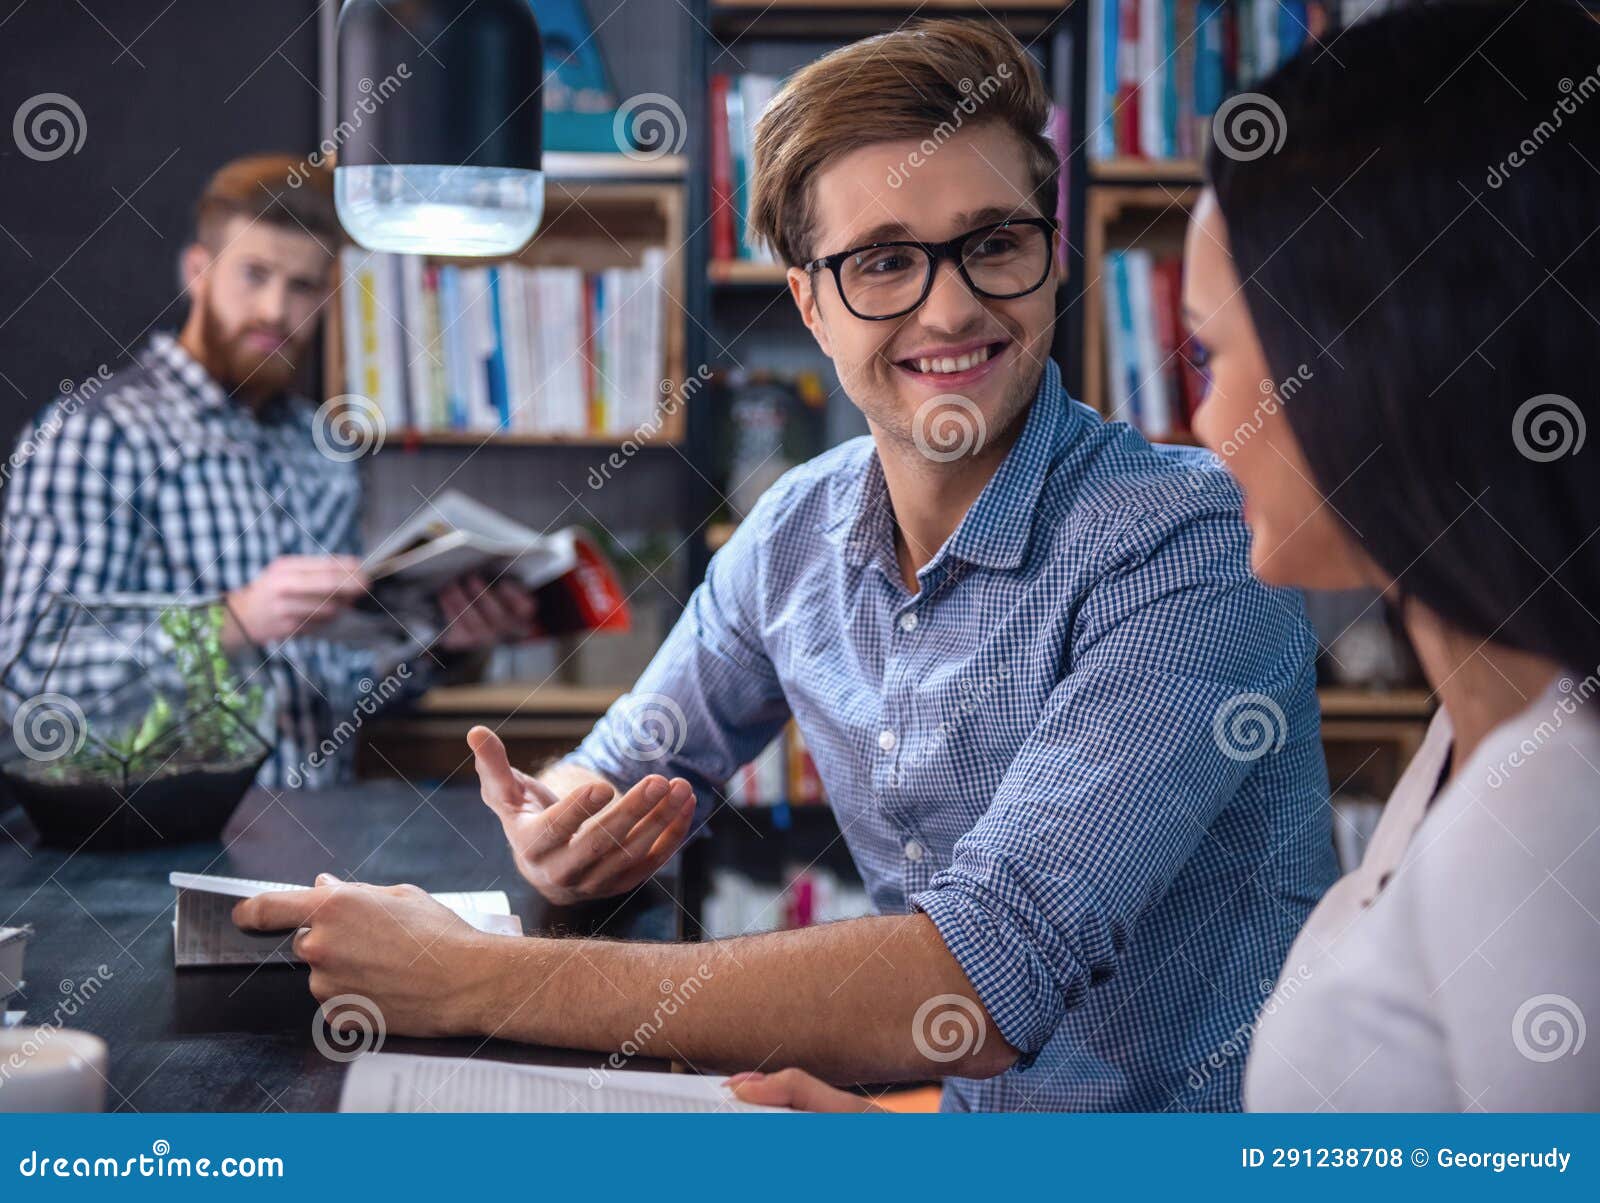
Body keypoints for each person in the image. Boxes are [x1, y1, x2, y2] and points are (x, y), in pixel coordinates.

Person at [235, 21, 1335, 1111]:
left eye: (995, 242)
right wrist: (562, 825)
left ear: (1049, 253)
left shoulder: (1190, 543)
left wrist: (467, 978)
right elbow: (626, 756)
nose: (951, 307)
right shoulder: (795, 528)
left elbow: (985, 978)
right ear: (808, 301)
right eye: (885, 261)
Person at [731, 0, 1600, 1112]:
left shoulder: (1550, 813)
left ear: (1383, 364)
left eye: (1223, 350)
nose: (1208, 412)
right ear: (809, 299)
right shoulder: (1478, 748)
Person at [0, 155, 534, 788]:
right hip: (150, 850)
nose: (277, 311)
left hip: (318, 845)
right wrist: (233, 622)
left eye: (303, 286)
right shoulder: (95, 434)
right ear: (198, 272)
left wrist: (443, 644)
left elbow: (340, 686)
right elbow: (29, 679)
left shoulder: (323, 451)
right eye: (254, 275)